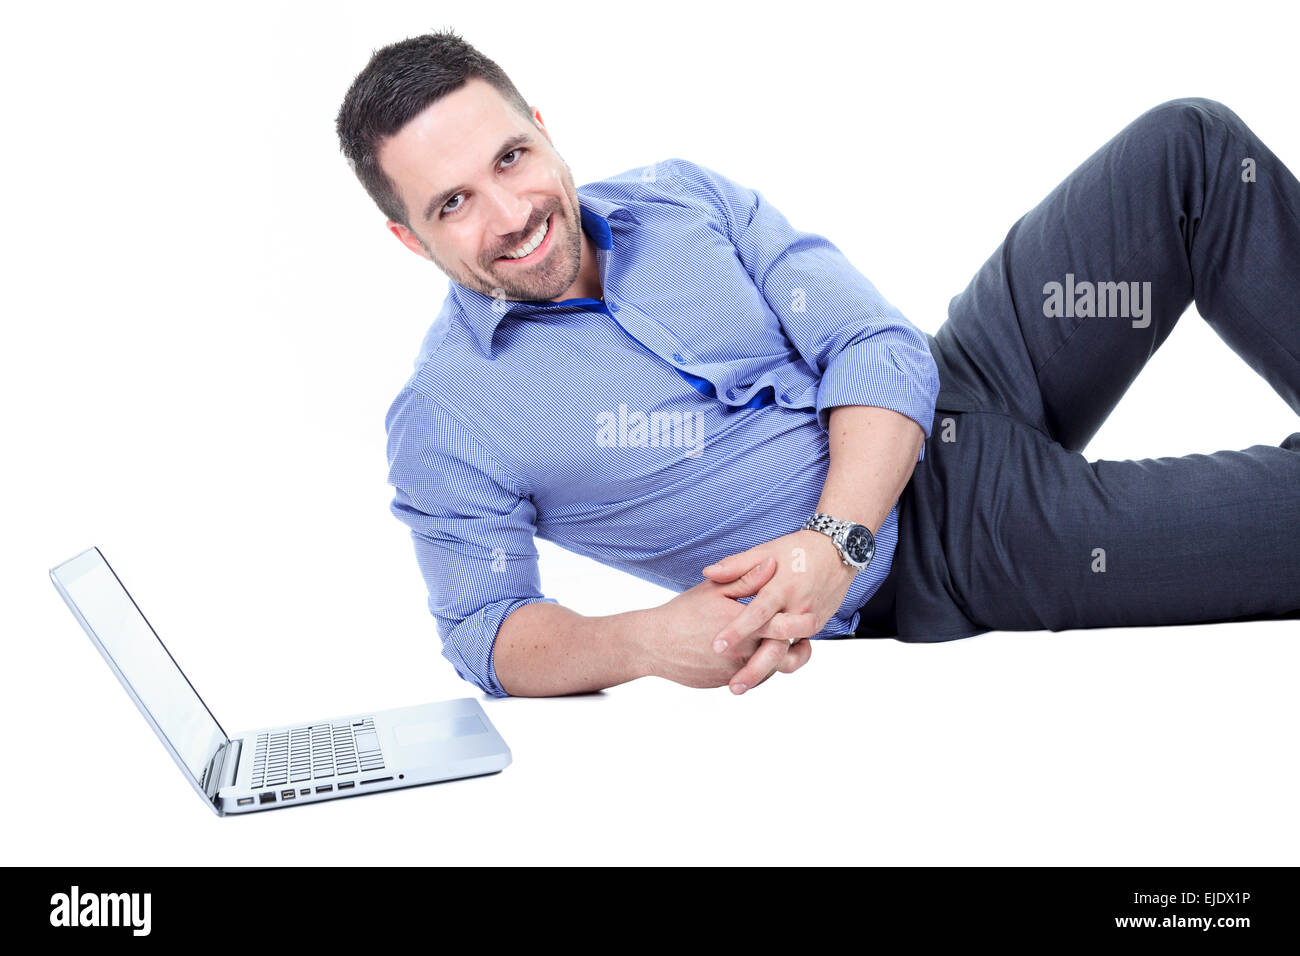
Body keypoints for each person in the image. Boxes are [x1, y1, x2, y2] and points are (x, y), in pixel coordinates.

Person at [335, 31, 1300, 700]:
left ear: (542, 125)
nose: (510, 215)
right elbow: (483, 630)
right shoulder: (446, 419)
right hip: (941, 546)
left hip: (959, 378)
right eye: (452, 203)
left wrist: (831, 534)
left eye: (511, 157)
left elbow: (874, 347)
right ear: (407, 238)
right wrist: (643, 643)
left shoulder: (682, 198)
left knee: (1191, 148)